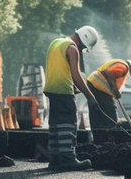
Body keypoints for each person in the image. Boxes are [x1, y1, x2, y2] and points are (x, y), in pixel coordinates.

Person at [44, 26, 104, 170]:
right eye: (84, 47)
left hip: (51, 90)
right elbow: (76, 75)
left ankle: (55, 159)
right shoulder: (72, 49)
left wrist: (75, 87)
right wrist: (90, 96)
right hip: (63, 91)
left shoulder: (56, 42)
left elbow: (60, 68)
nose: (83, 49)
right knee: (68, 124)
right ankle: (68, 159)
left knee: (55, 125)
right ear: (84, 40)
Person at [86, 58, 131, 129]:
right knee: (111, 113)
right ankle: (111, 132)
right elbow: (109, 74)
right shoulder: (124, 67)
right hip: (99, 86)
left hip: (92, 83)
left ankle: (98, 132)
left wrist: (115, 91)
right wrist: (115, 90)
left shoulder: (119, 63)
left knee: (97, 112)